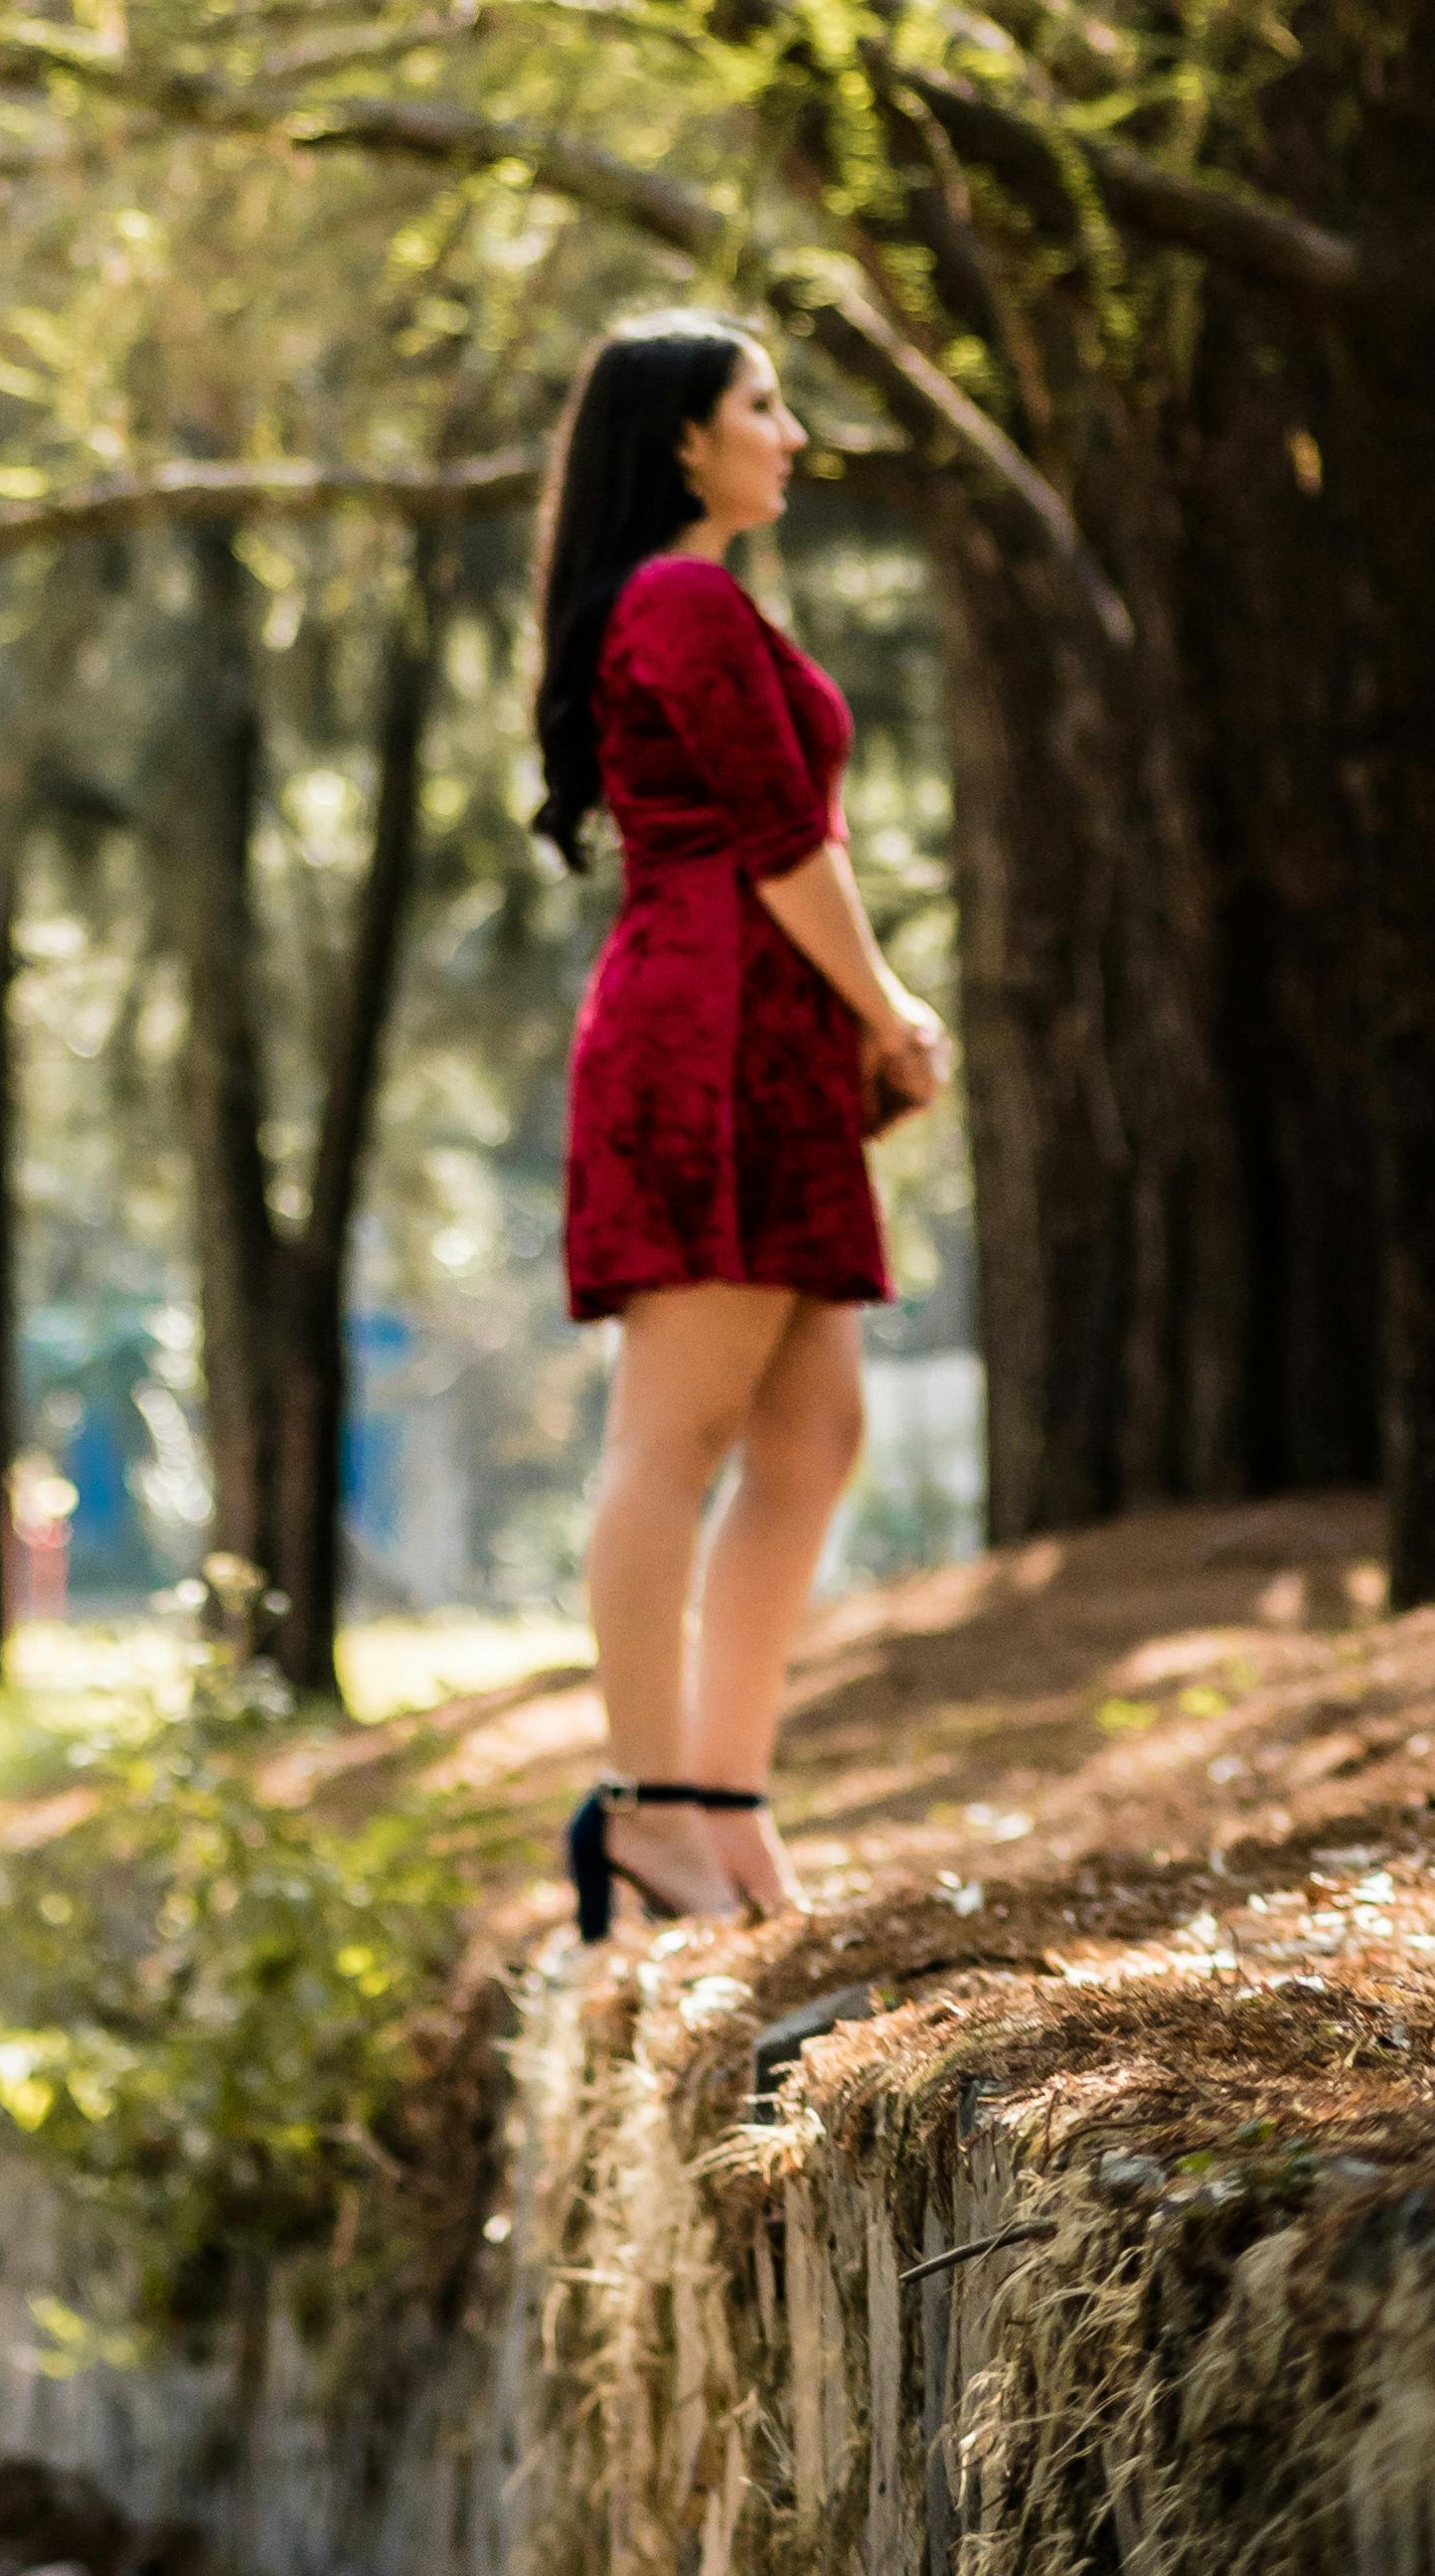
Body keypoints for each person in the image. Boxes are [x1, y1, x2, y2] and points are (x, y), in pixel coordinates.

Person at [536, 309, 948, 1937]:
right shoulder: (681, 596)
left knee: (812, 1438)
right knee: (676, 1434)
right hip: (709, 1037)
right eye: (764, 406)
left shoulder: (697, 600)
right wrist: (888, 1010)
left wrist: (842, 1030)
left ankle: (722, 1799)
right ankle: (648, 1815)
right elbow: (786, 844)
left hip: (755, 1038)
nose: (794, 434)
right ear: (684, 442)